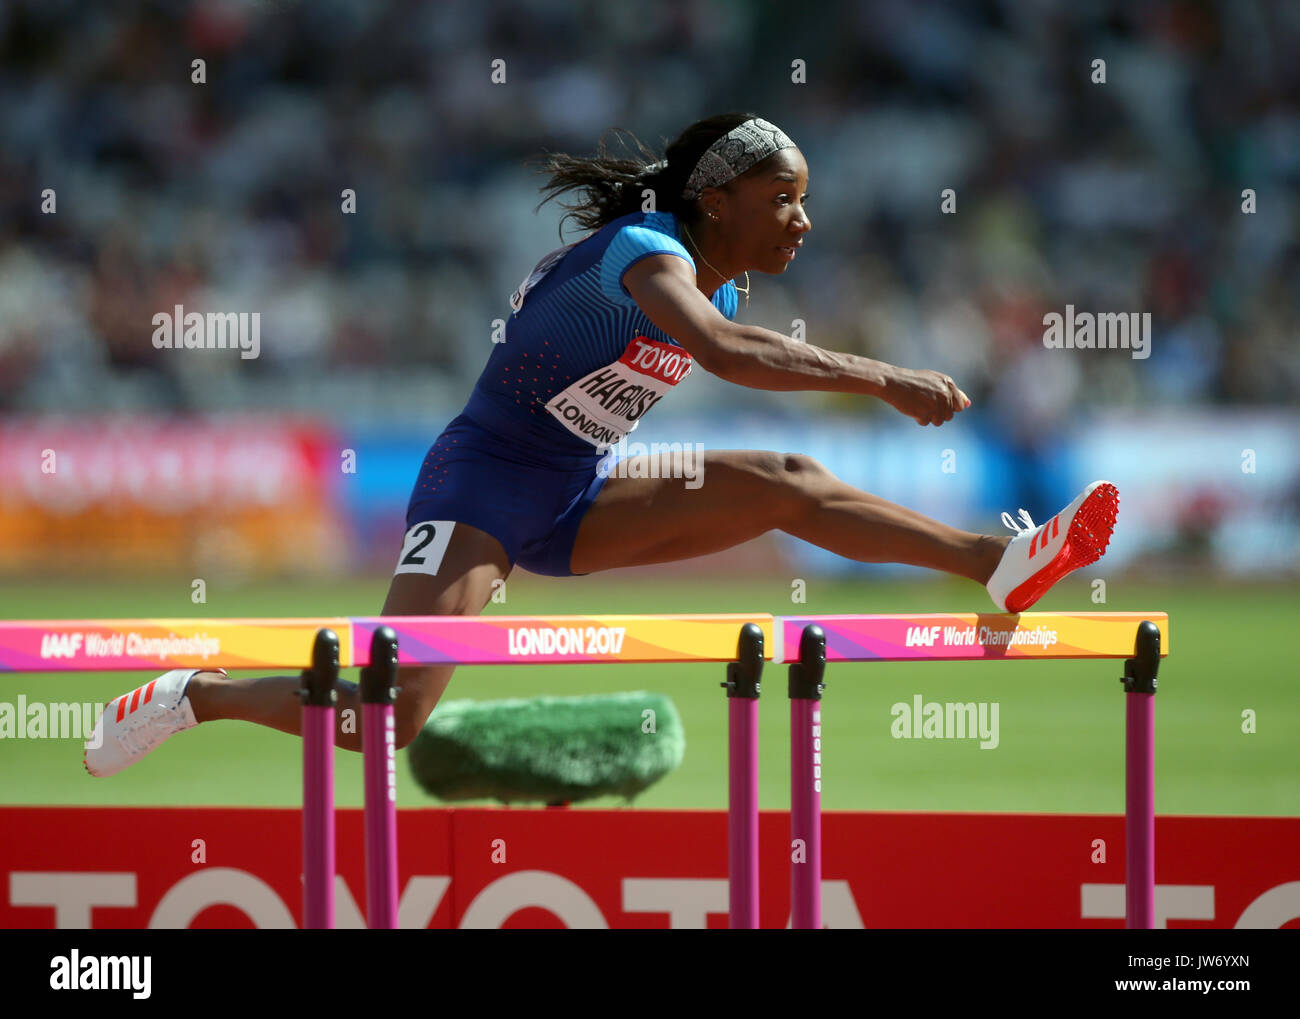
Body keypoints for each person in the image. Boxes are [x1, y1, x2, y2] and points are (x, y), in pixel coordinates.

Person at [86, 112, 1118, 777]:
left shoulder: (708, 270)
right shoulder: (645, 251)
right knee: (386, 721)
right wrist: (880, 375)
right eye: (783, 199)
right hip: (481, 486)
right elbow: (721, 351)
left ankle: (998, 562)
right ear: (717, 201)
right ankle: (196, 694)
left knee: (784, 480)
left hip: (579, 493)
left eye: (804, 199)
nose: (803, 220)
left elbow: (722, 333)